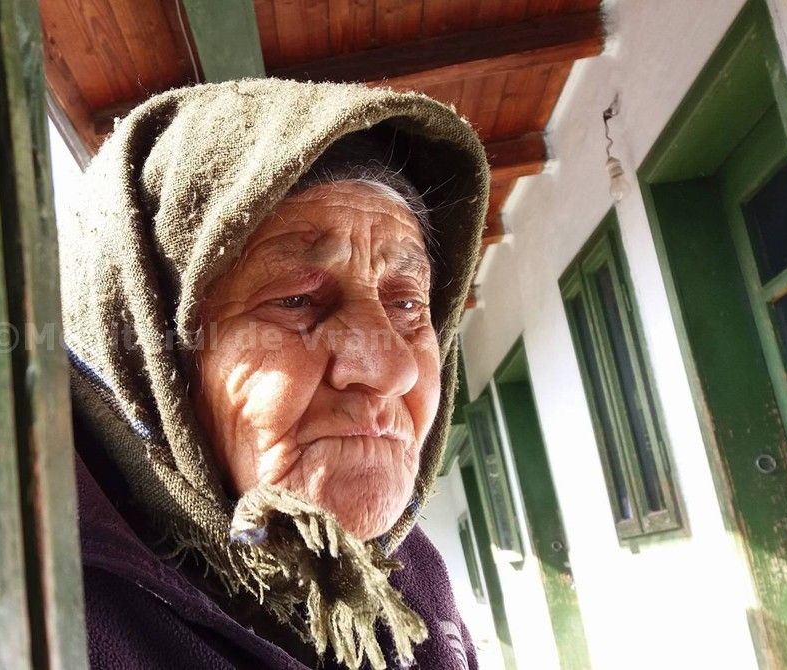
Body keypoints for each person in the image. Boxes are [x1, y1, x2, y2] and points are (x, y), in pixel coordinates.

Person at [60, 78, 489, 670]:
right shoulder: (24, 609)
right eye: (295, 301)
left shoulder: (413, 579)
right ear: (146, 356)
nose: (391, 370)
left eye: (409, 305)